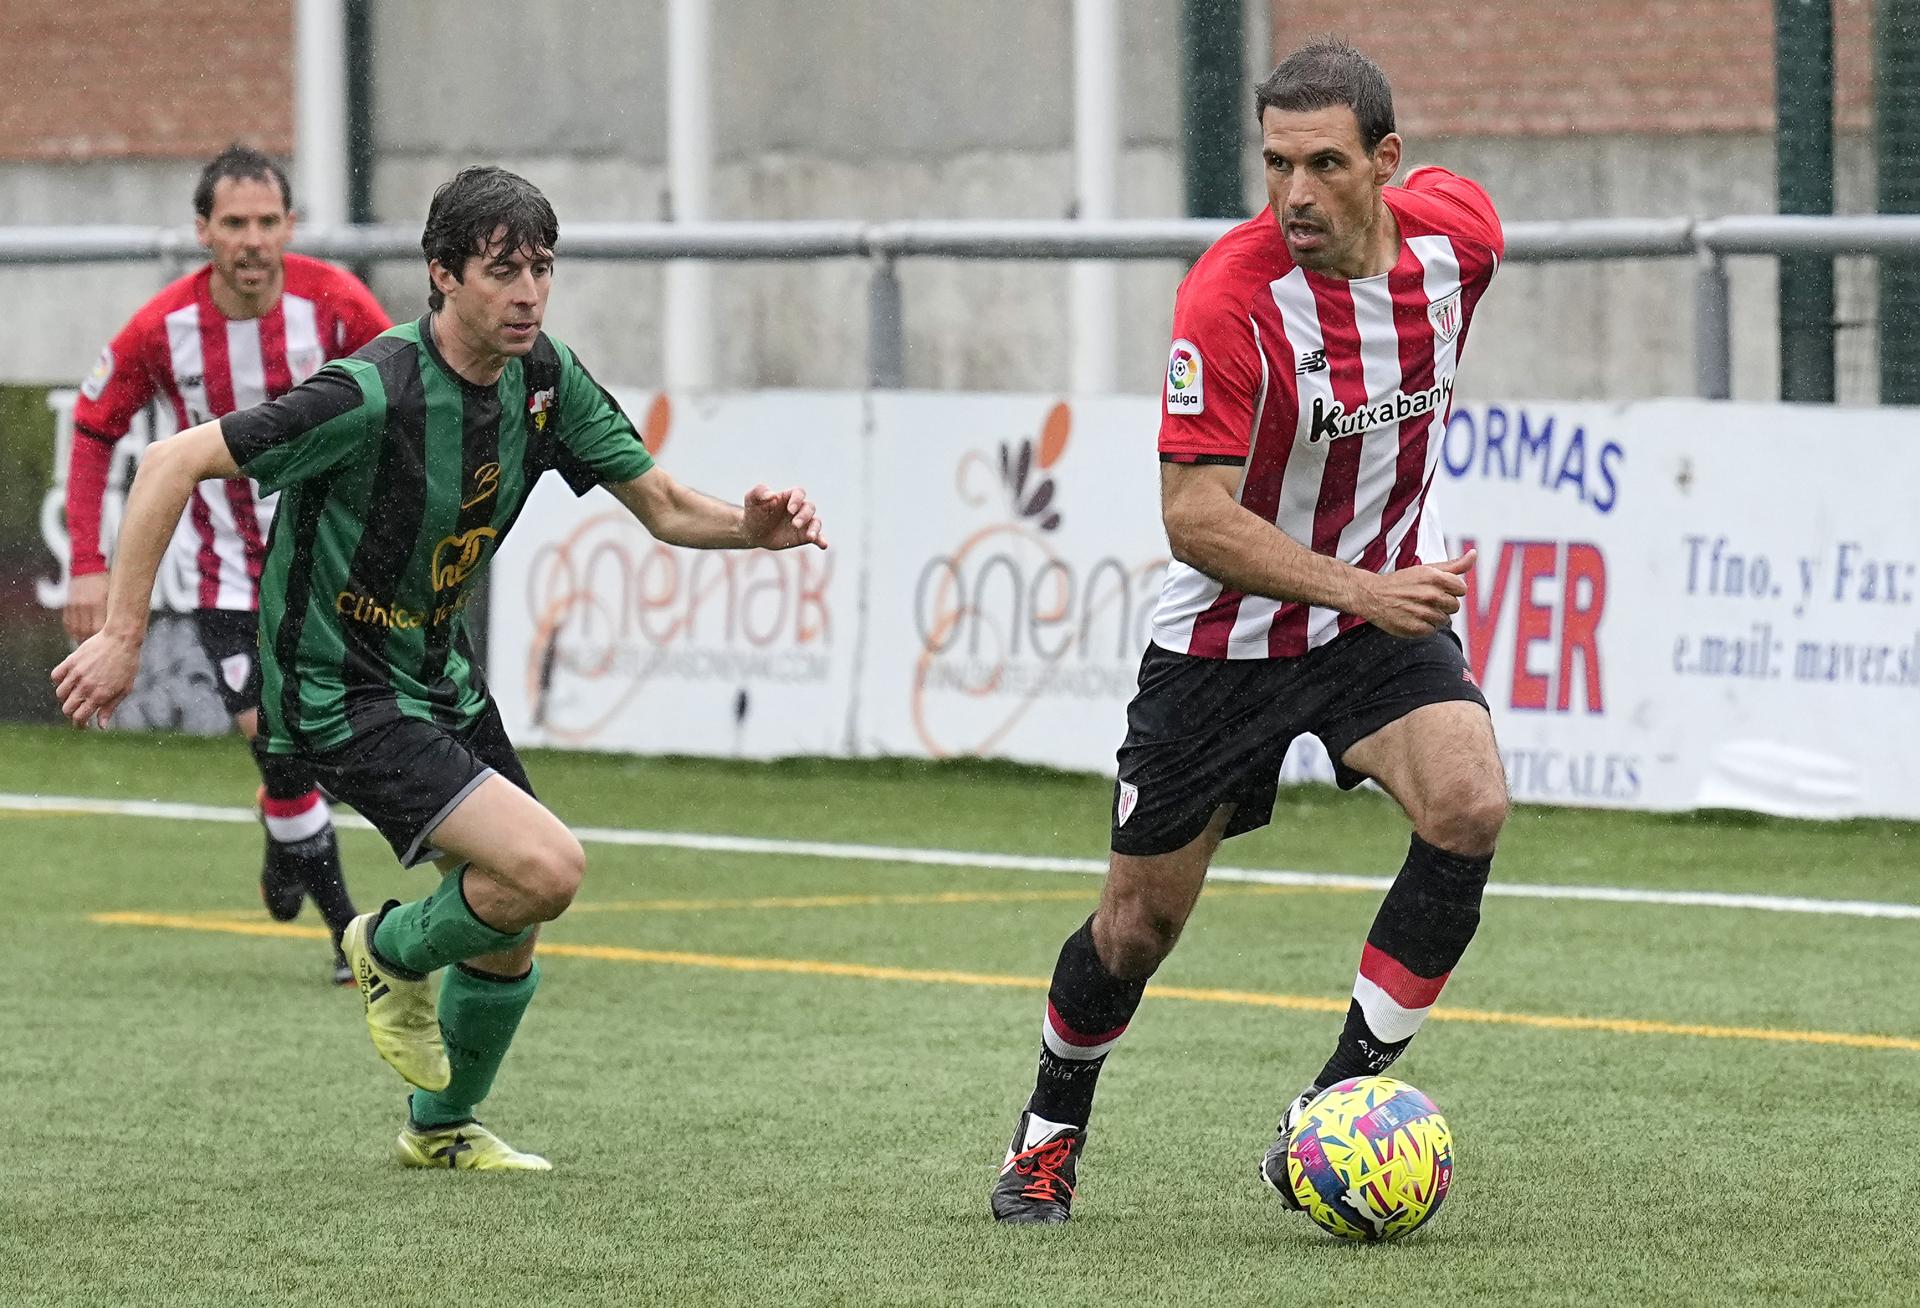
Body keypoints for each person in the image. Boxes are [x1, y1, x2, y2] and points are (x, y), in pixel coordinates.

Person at [54, 165, 828, 1172]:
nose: (528, 293)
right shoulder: (371, 389)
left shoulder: (543, 379)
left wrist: (749, 530)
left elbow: (667, 505)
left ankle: (441, 1128)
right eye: (503, 271)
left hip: (434, 679)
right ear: (441, 276)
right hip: (335, 685)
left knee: (508, 921)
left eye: (541, 270)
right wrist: (120, 635)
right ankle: (381, 949)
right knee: (547, 868)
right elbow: (168, 464)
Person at [988, 38, 1508, 1224]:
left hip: (1373, 617)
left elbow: (1458, 252)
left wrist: (1372, 595)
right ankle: (1049, 1130)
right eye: (1276, 164)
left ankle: (1330, 1110)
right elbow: (1192, 518)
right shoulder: (1230, 297)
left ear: (1387, 162)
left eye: (1325, 164)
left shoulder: (1459, 240)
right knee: (1137, 927)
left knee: (1470, 803)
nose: (1297, 194)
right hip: (1226, 646)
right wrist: (1361, 588)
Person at [64, 144, 392, 985]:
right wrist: (88, 564)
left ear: (291, 227)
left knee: (312, 750)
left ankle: (288, 843)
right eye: (234, 223)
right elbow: (97, 429)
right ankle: (345, 936)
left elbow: (406, 401)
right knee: (275, 741)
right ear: (203, 230)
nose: (252, 240)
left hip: (327, 569)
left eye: (267, 222)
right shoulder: (160, 328)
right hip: (227, 578)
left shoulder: (339, 305)